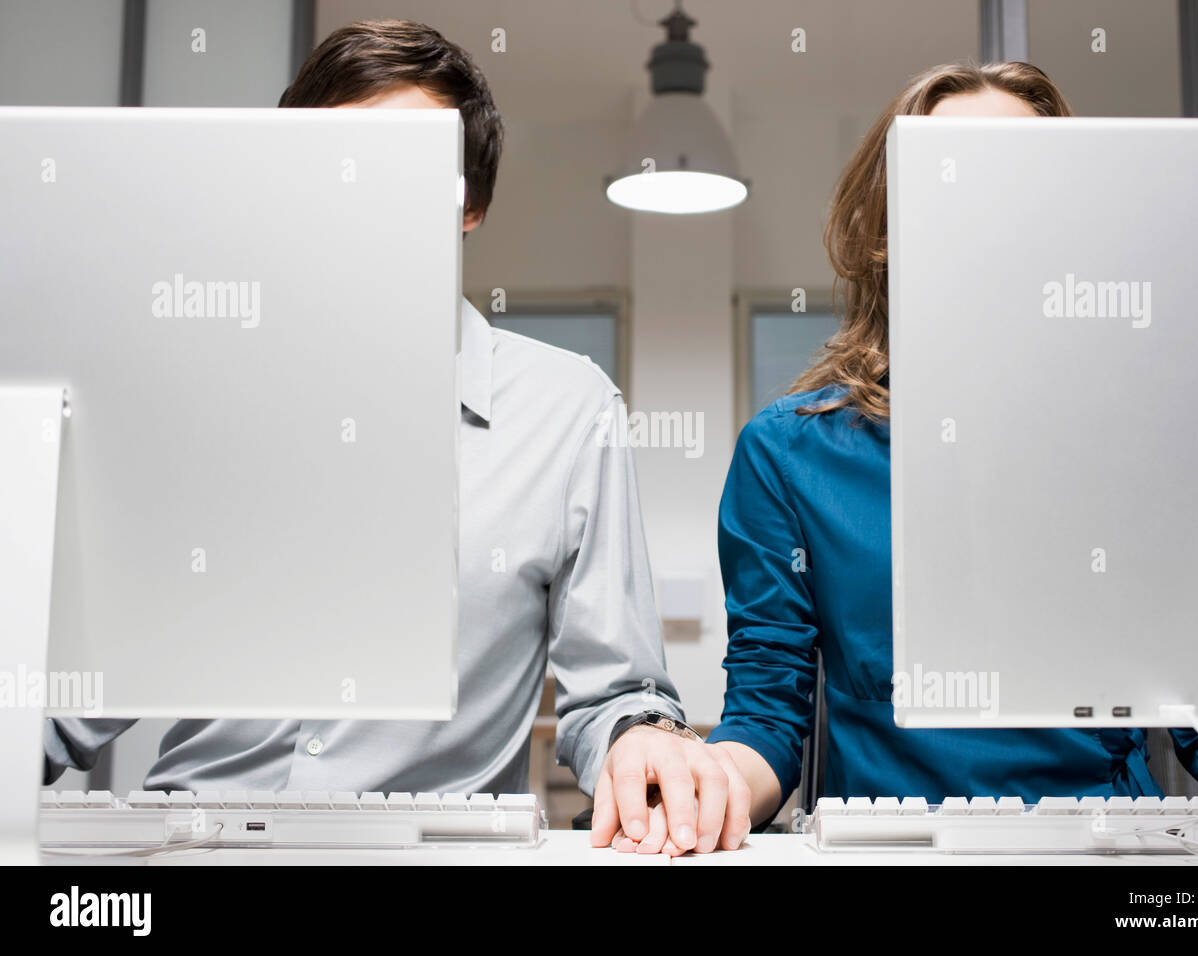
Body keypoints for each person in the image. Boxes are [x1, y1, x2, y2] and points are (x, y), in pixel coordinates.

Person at [44, 19, 750, 857]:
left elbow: (612, 695)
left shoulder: (568, 412)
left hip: (425, 852)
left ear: (471, 206)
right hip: (192, 845)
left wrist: (641, 737)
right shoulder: (193, 401)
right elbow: (64, 705)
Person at [691, 61, 1198, 831]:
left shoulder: (1142, 448)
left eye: (1023, 188)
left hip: (1104, 849)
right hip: (897, 849)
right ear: (885, 235)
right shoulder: (790, 455)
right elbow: (768, 717)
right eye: (956, 185)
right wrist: (702, 785)